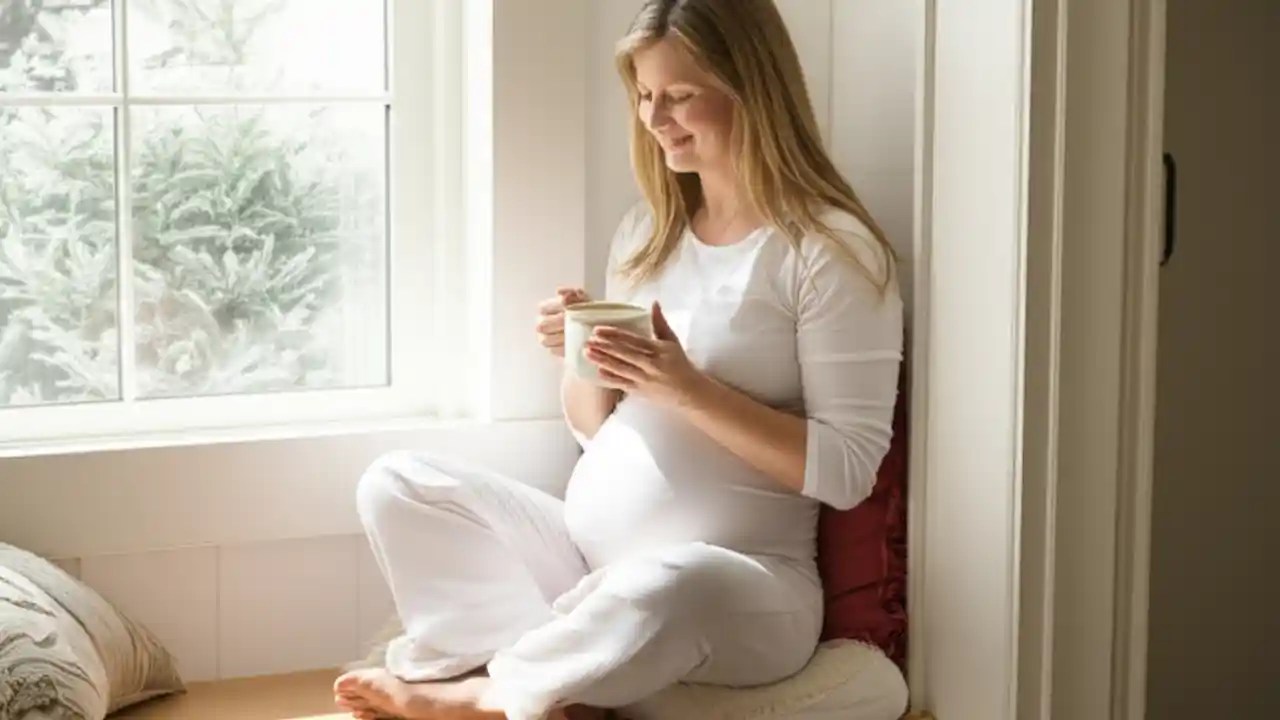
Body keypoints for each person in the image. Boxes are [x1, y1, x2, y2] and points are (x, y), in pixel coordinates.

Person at [334, 0, 903, 718]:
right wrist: (581, 358)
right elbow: (595, 431)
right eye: (643, 96)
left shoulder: (828, 251)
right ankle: (569, 676)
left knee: (668, 582)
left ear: (752, 87)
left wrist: (689, 389)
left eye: (680, 96)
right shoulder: (648, 234)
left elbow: (850, 472)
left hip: (744, 588)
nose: (655, 118)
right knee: (399, 481)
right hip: (590, 561)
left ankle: (491, 692)